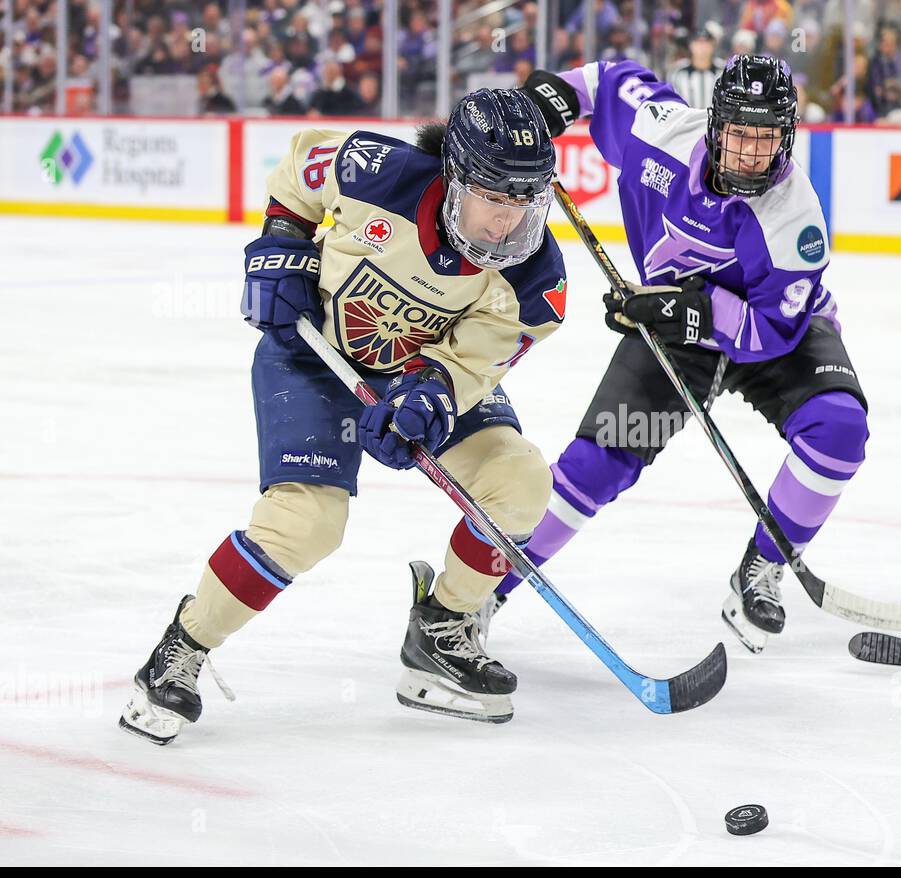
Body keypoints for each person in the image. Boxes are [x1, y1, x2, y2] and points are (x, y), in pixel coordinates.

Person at [120, 89, 566, 742]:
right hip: (313, 358)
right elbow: (300, 171)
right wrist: (282, 243)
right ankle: (181, 647)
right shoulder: (375, 171)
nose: (508, 220)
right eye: (493, 197)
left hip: (416, 373)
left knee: (520, 481)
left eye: (524, 200)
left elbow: (471, 363)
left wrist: (432, 395)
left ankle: (443, 629)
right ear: (454, 177)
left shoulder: (535, 281)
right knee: (305, 525)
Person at [505, 55, 869, 654]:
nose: (751, 154)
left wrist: (692, 308)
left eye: (766, 139)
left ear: (787, 136)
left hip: (771, 334)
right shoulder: (660, 133)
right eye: (740, 135)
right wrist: (552, 101)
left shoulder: (795, 218)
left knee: (840, 430)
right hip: (674, 329)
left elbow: (771, 333)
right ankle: (477, 594)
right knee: (594, 465)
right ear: (714, 125)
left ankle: (763, 565)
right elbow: (604, 80)